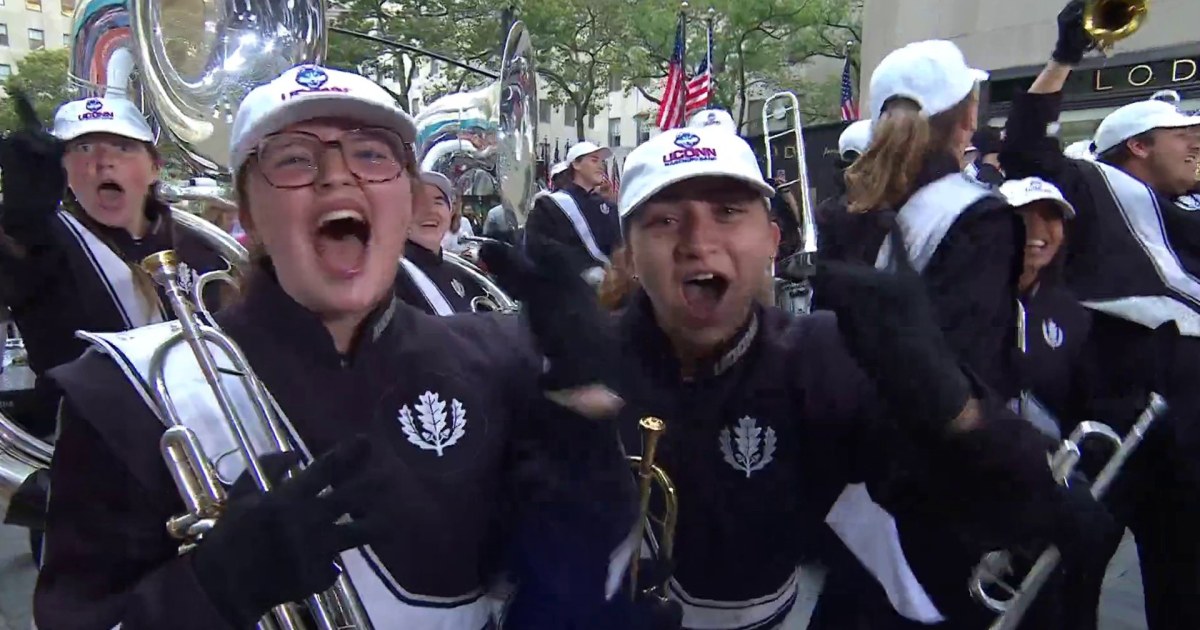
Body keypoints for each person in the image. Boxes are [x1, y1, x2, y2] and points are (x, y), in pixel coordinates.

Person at [35, 64, 641, 630]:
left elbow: (581, 587)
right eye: (294, 159)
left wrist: (586, 420)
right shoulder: (130, 391)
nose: (337, 176)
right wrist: (210, 590)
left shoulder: (501, 358)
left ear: (407, 199)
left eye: (371, 154)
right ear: (248, 212)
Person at [483, 125, 1116, 630]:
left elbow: (1015, 521)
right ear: (629, 252)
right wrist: (572, 411)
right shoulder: (577, 359)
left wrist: (957, 410)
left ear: (772, 240)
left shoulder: (821, 358)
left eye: (728, 212)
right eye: (665, 220)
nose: (698, 241)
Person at [998, 3, 1200, 626]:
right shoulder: (1092, 184)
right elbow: (1026, 150)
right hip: (1113, 403)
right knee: (1070, 573)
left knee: (1186, 581)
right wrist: (1066, 55)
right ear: (1138, 146)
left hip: (1191, 415)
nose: (1196, 143)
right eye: (1182, 135)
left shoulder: (1191, 208)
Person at [0, 95, 229, 440]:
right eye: (83, 148)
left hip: (209, 437)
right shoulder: (43, 240)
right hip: (89, 448)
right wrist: (20, 223)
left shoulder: (201, 246)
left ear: (154, 167)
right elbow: (18, 265)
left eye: (123, 147)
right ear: (58, 167)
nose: (104, 162)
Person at [821, 38, 1023, 401]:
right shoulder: (982, 220)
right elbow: (979, 366)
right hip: (938, 424)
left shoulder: (840, 211)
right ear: (969, 118)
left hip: (843, 415)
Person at [393, 170, 492, 315]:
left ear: (450, 213)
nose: (430, 211)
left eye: (438, 202)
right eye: (418, 203)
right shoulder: (390, 279)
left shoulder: (462, 273)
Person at [524, 141, 618, 281]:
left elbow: (618, 245)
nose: (601, 166)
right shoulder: (548, 205)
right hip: (565, 287)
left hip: (610, 288)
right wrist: (585, 267)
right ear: (576, 164)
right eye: (594, 160)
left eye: (602, 161)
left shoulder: (607, 207)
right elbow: (538, 246)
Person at [439, 189, 474, 255]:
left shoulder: (464, 222)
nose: (451, 207)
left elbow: (472, 245)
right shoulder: (435, 223)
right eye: (448, 203)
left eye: (454, 203)